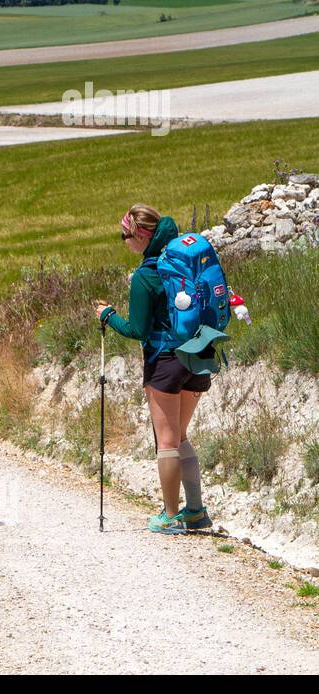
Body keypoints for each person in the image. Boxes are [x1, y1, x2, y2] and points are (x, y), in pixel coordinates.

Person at [94, 205, 217, 536]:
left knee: (166, 441)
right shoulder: (183, 264)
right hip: (199, 355)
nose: (124, 241)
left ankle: (169, 515)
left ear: (141, 236)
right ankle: (195, 511)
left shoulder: (146, 276)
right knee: (181, 436)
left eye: (126, 235)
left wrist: (107, 316)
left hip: (165, 362)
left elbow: (136, 329)